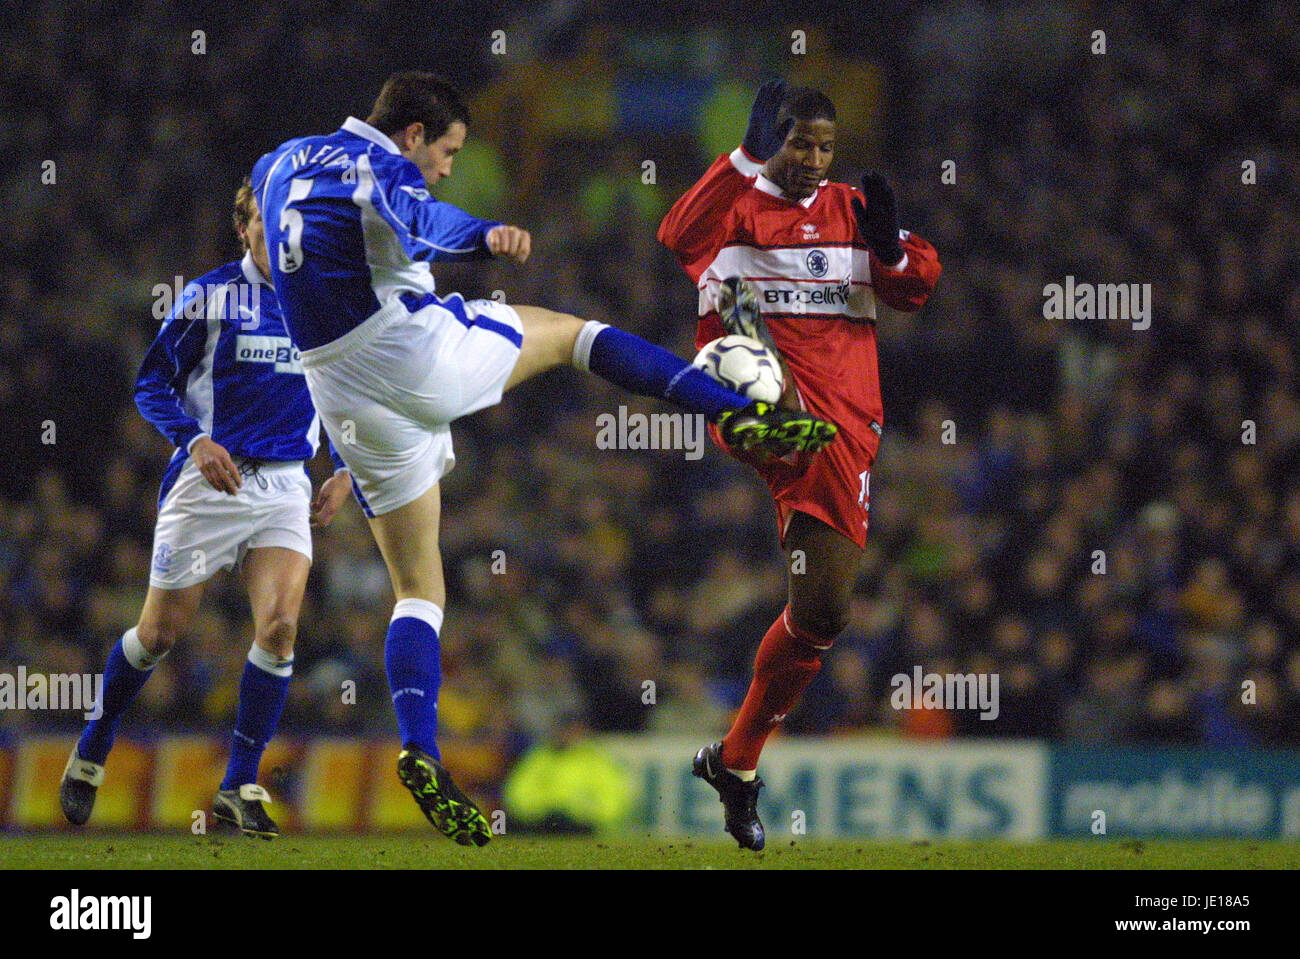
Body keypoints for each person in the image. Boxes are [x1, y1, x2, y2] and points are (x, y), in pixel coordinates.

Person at [251, 70, 836, 847]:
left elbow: (277, 266)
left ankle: (421, 749)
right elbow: (418, 213)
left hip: (338, 389)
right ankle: (742, 414)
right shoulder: (382, 164)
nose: (449, 165)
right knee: (570, 334)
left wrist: (319, 439)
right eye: (449, 149)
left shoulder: (279, 163)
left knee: (418, 586)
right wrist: (483, 236)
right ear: (414, 133)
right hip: (405, 352)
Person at [658, 80, 942, 849]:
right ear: (771, 138)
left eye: (825, 147)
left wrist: (889, 248)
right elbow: (679, 236)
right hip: (761, 399)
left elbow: (917, 286)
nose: (814, 160)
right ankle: (764, 408)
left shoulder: (852, 211)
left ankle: (735, 762)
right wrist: (742, 160)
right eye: (799, 144)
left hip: (844, 424)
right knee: (747, 363)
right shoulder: (737, 203)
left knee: (824, 612)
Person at [59, 181, 353, 839]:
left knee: (280, 627)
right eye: (264, 224)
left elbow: (338, 391)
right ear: (243, 229)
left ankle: (238, 784)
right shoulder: (211, 296)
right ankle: (96, 739)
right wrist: (193, 440)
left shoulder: (324, 305)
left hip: (284, 485)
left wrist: (342, 467)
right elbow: (151, 382)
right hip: (210, 483)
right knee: (159, 633)